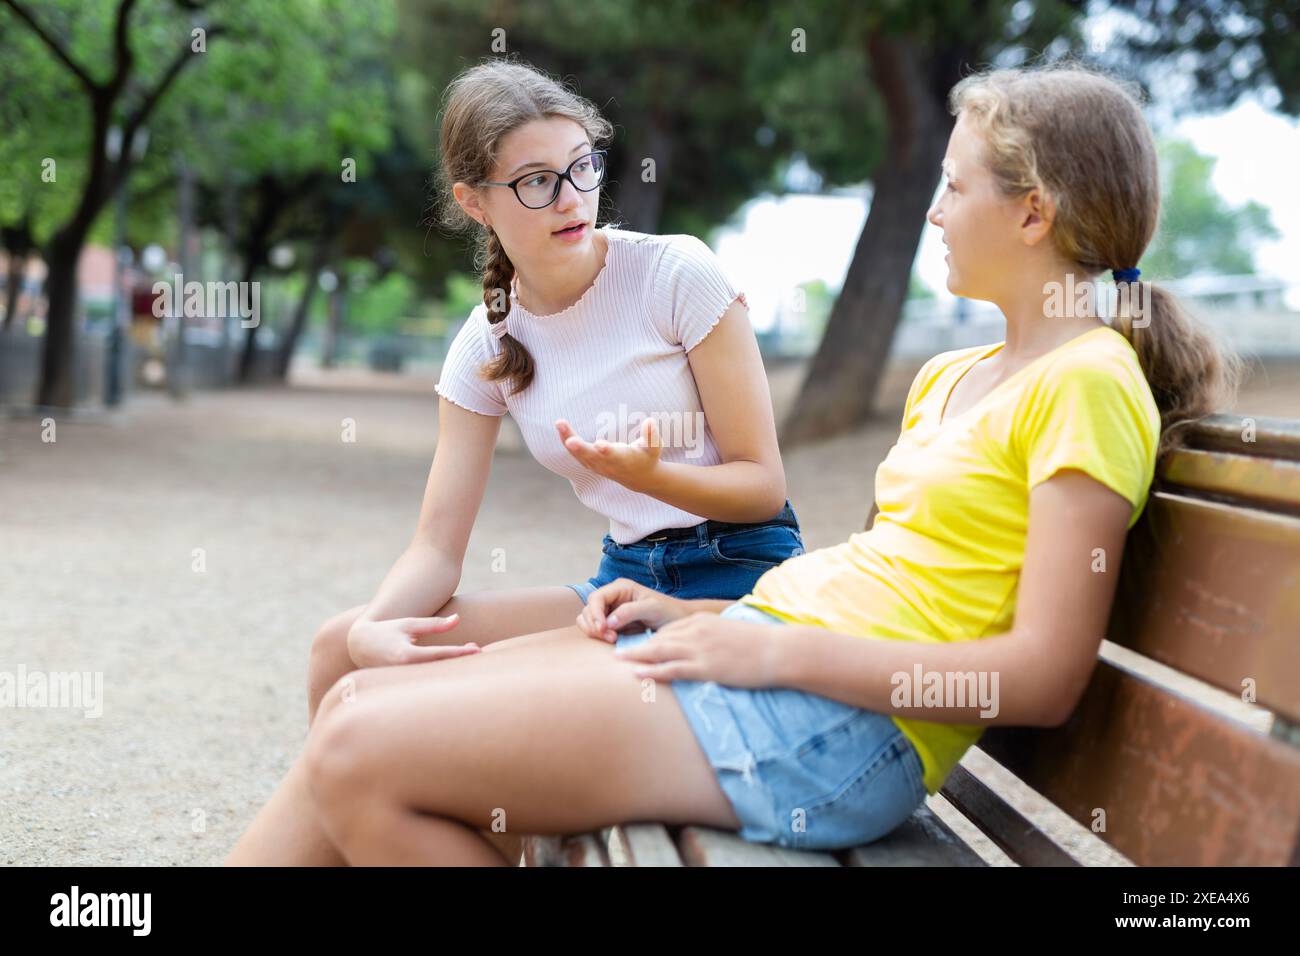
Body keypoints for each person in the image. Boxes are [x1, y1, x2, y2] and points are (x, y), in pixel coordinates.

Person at [227, 62, 1241, 865]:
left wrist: (768, 650)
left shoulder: (1087, 382)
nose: (931, 209)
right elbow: (892, 574)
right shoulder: (957, 373)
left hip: (840, 730)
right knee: (358, 706)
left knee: (360, 754)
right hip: (765, 656)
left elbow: (1042, 678)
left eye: (950, 184)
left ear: (1033, 214)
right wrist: (709, 618)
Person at [232, 58, 803, 865]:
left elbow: (762, 487)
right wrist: (374, 630)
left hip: (734, 578)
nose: (570, 198)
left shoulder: (676, 273)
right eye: (535, 182)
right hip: (619, 583)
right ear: (474, 202)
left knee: (368, 704)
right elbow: (436, 547)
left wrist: (655, 478)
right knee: (340, 648)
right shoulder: (488, 342)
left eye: (581, 168)